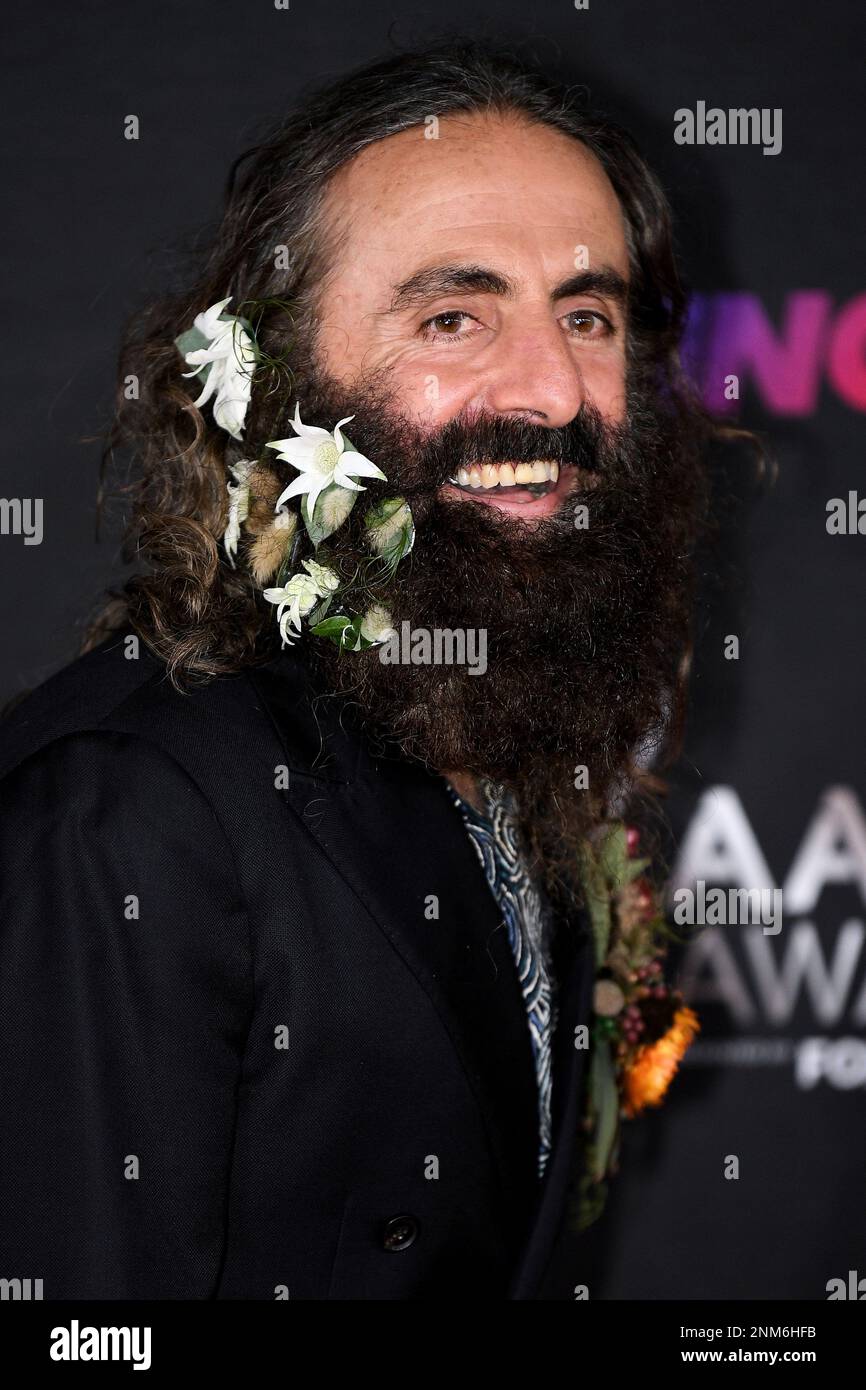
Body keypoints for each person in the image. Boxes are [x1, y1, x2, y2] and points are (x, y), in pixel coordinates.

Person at [0, 40, 709, 1300]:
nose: (550, 389)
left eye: (586, 315)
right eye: (451, 315)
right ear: (279, 384)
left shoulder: (509, 741)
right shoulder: (125, 810)